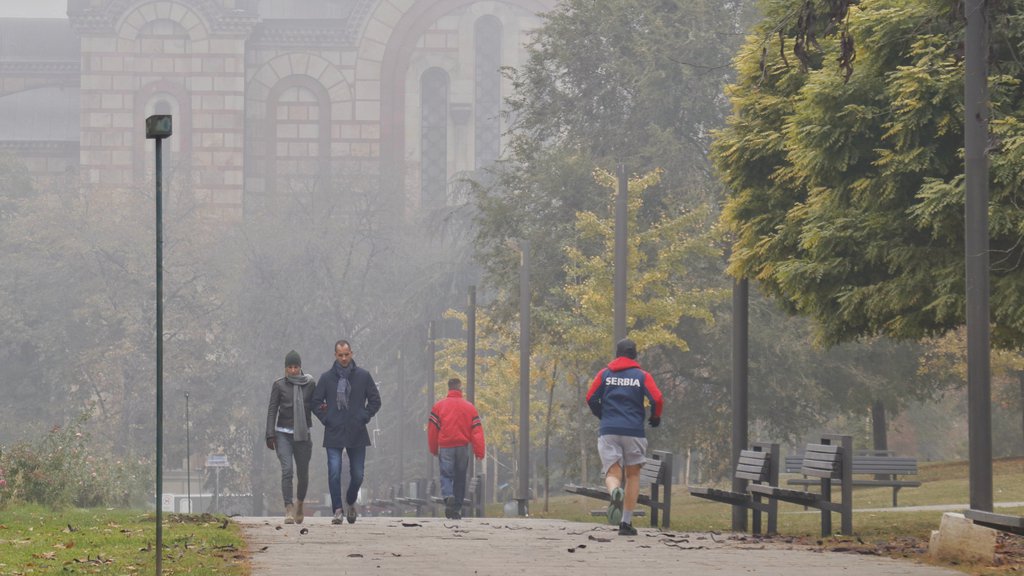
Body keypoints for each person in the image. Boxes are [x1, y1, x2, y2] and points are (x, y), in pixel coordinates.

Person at [585, 337, 664, 536]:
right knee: (633, 475)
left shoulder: (605, 374)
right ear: (635, 355)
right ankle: (626, 523)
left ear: (617, 354)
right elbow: (657, 398)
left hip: (609, 430)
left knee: (612, 473)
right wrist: (655, 416)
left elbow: (590, 397)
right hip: (634, 431)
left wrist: (602, 414)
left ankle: (614, 493)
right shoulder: (642, 376)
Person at [312, 339, 382, 525]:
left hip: (357, 431)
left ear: (351, 354)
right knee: (334, 471)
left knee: (358, 474)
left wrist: (364, 416)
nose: (344, 358)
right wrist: (327, 419)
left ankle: (350, 500)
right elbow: (315, 402)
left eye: (346, 354)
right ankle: (337, 510)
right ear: (335, 356)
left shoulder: (363, 376)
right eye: (340, 355)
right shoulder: (327, 378)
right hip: (334, 431)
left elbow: (375, 400)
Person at [265, 349, 317, 524]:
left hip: (303, 436)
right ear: (285, 368)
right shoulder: (279, 385)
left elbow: (316, 405)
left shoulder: (310, 384)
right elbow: (272, 409)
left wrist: (327, 415)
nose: (293, 371)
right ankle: (288, 507)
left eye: (296, 367)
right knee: (287, 470)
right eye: (290, 367)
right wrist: (270, 434)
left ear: (300, 367)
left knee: (303, 474)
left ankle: (299, 503)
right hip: (283, 434)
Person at [427, 377, 486, 520]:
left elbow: (432, 430)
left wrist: (434, 448)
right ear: (460, 389)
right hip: (462, 448)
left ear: (448, 388)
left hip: (446, 447)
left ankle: (448, 497)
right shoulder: (469, 407)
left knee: (446, 475)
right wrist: (479, 451)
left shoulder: (439, 406)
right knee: (460, 478)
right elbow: (477, 431)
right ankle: (457, 509)